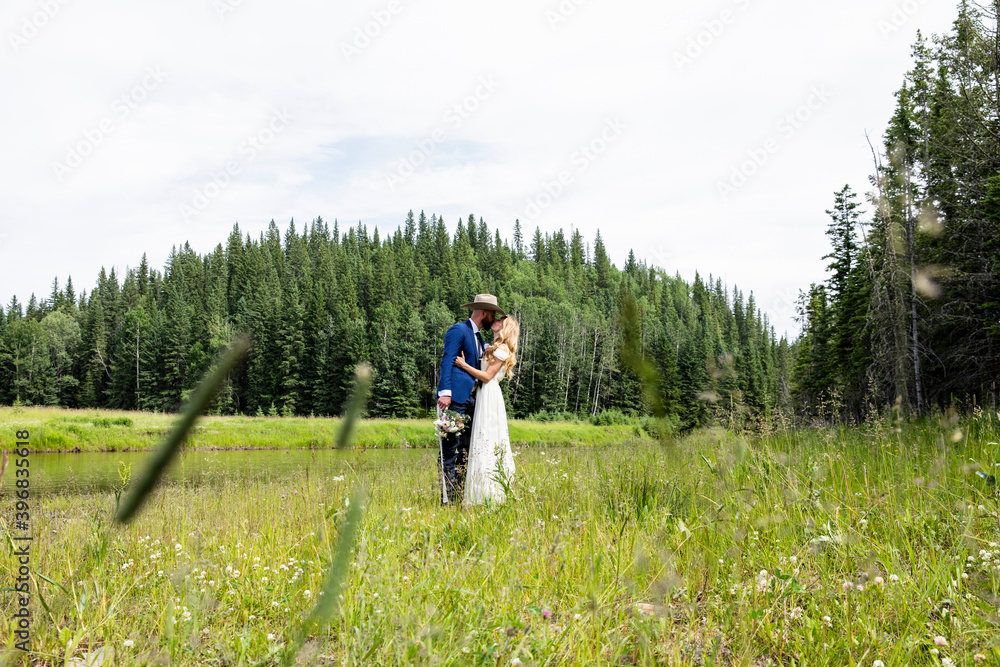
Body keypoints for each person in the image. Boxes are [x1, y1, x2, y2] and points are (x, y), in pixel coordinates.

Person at [436, 294, 505, 503]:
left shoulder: (479, 338)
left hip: (473, 401)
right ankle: (447, 500)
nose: (493, 320)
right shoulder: (459, 330)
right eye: (492, 315)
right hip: (455, 399)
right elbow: (448, 359)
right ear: (483, 312)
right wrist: (445, 392)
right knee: (449, 448)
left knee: (466, 450)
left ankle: (460, 496)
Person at [453, 314, 519, 506]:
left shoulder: (503, 349)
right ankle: (478, 492)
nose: (495, 321)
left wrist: (464, 365)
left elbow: (487, 376)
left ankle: (490, 494)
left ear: (505, 327)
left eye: (500, 321)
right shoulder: (494, 346)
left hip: (489, 394)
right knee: (482, 439)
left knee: (488, 439)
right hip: (484, 394)